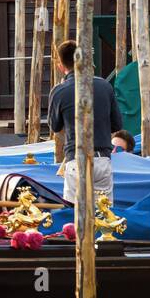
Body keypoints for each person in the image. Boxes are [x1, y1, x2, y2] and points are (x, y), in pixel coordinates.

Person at [47, 40, 123, 204]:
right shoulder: (104, 86)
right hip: (102, 160)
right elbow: (117, 125)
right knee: (104, 215)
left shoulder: (59, 91)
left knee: (74, 215)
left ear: (61, 65)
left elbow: (55, 126)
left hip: (76, 160)